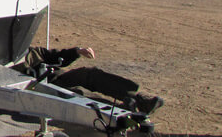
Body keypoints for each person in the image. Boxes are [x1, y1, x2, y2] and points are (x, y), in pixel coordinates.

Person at [20, 46, 164, 115]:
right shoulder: (1, 61)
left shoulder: (26, 49)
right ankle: (123, 111)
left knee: (89, 74)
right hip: (36, 89)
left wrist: (77, 51)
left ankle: (139, 100)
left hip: (55, 77)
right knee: (77, 94)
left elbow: (53, 56)